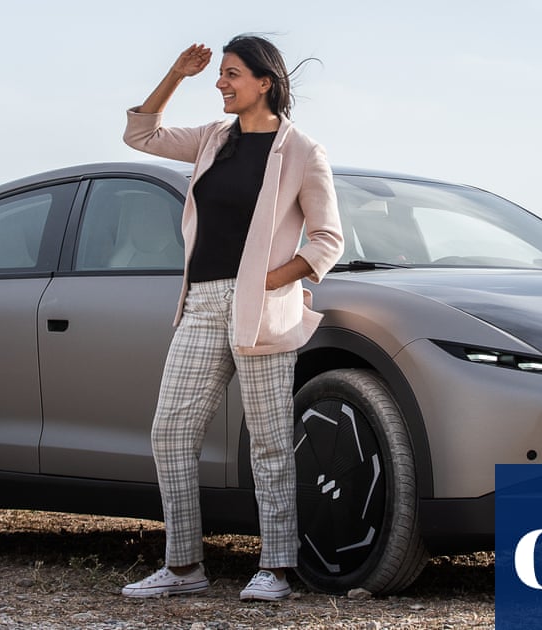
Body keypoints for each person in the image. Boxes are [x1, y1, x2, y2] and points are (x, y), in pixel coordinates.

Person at [118, 35, 344, 601]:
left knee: (269, 442)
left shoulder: (302, 152)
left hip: (265, 310)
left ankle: (276, 567)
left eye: (232, 73)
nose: (221, 81)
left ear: (264, 82)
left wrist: (270, 280)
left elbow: (327, 240)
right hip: (200, 305)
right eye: (220, 73)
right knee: (170, 432)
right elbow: (140, 133)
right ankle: (185, 566)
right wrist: (175, 73)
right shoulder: (212, 139)